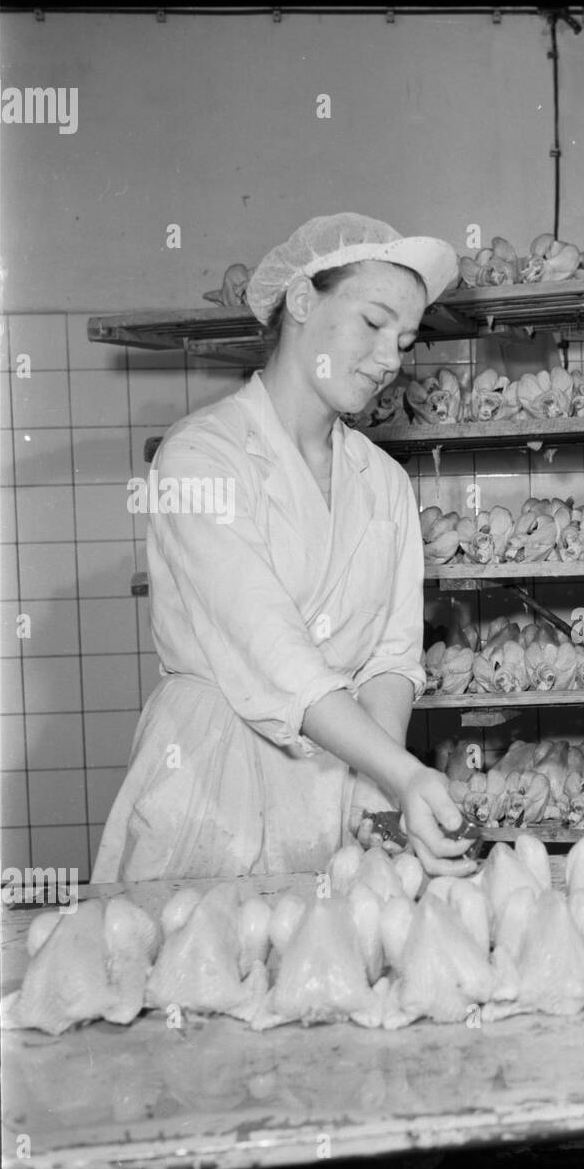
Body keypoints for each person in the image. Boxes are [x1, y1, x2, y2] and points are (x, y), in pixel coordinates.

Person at [92, 213, 475, 883]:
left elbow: (392, 656)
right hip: (211, 780)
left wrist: (378, 786)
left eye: (406, 340)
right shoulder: (202, 457)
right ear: (302, 299)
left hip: (335, 787)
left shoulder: (381, 481)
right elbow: (271, 651)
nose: (390, 359)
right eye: (373, 323)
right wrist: (401, 773)